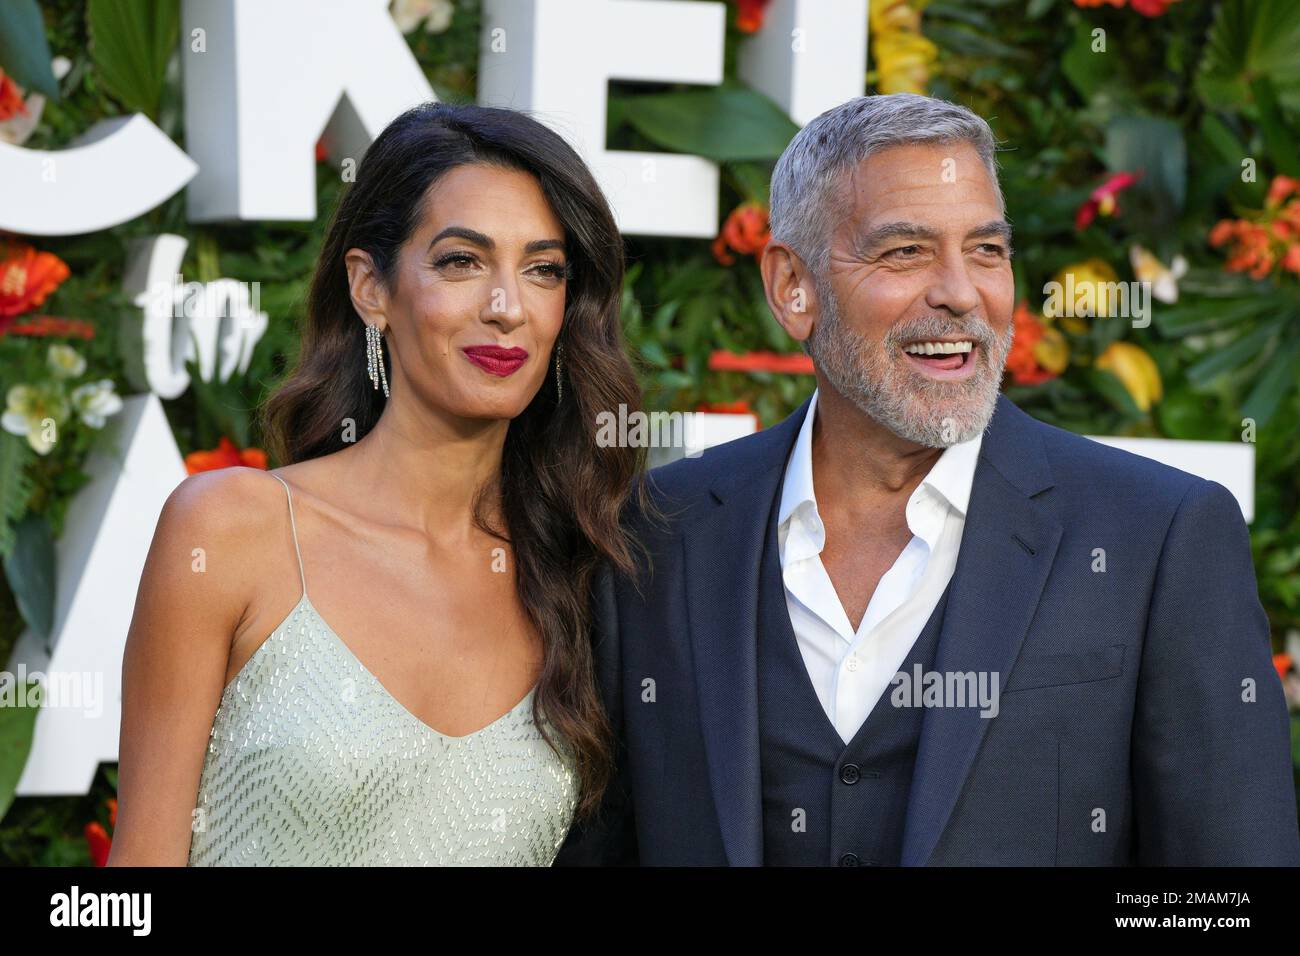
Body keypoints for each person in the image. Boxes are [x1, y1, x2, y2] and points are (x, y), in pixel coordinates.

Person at [556, 92, 1300, 866]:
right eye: (905, 252)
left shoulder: (1159, 536)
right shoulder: (660, 531)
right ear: (792, 288)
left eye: (986, 250)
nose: (961, 292)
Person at [109, 102, 646, 866]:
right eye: (461, 261)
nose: (506, 307)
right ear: (371, 288)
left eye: (543, 269)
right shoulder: (231, 530)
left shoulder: (582, 573)